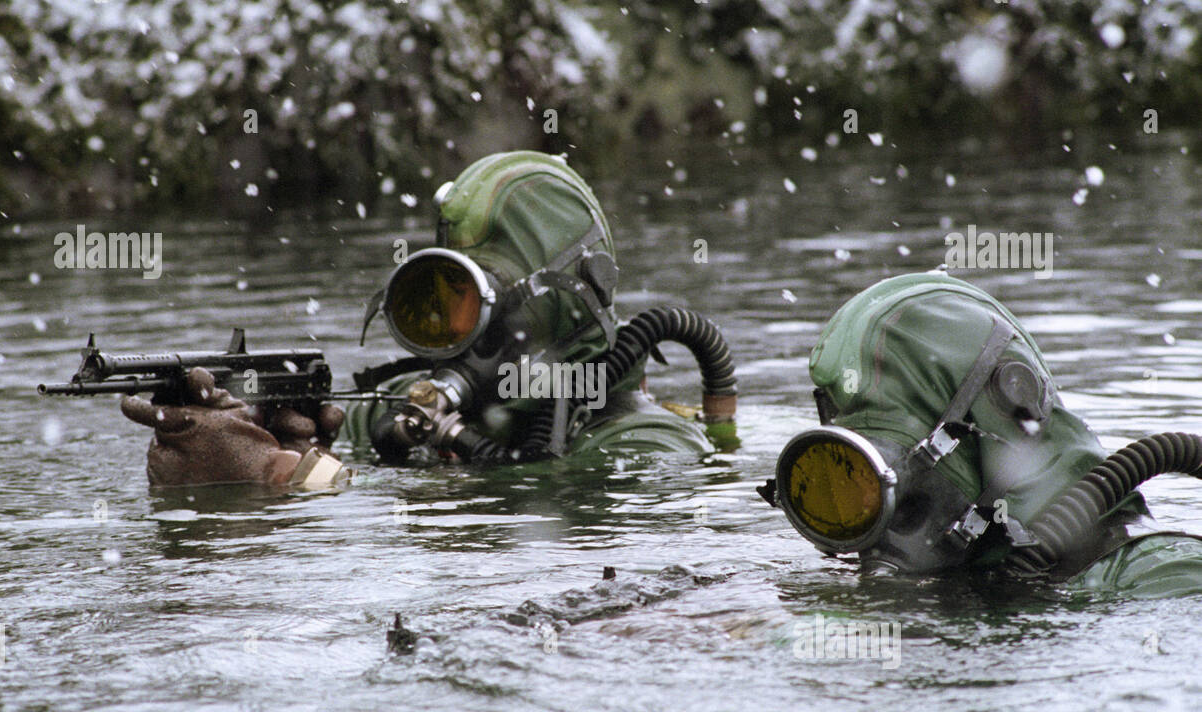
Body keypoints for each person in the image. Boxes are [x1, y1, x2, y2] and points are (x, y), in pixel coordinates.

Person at [121, 151, 738, 487]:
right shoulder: (409, 405)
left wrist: (276, 479)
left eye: (470, 303)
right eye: (433, 307)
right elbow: (351, 437)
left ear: (554, 306)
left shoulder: (645, 447)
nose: (454, 336)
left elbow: (534, 508)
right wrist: (252, 429)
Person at [759, 272, 1202, 598]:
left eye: (901, 497)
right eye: (844, 493)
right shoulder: (978, 566)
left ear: (996, 414)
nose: (883, 534)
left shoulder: (1163, 576)